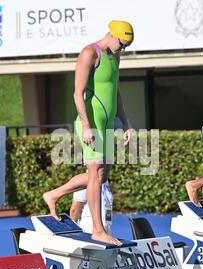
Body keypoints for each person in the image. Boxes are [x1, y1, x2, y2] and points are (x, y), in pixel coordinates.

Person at [43, 20, 134, 246]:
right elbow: (77, 93)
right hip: (91, 122)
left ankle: (54, 194)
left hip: (108, 123)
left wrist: (126, 122)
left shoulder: (115, 55)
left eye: (126, 47)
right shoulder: (90, 53)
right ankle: (97, 230)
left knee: (102, 176)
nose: (123, 49)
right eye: (122, 44)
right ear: (112, 35)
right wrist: (85, 125)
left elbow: (115, 92)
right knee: (95, 175)